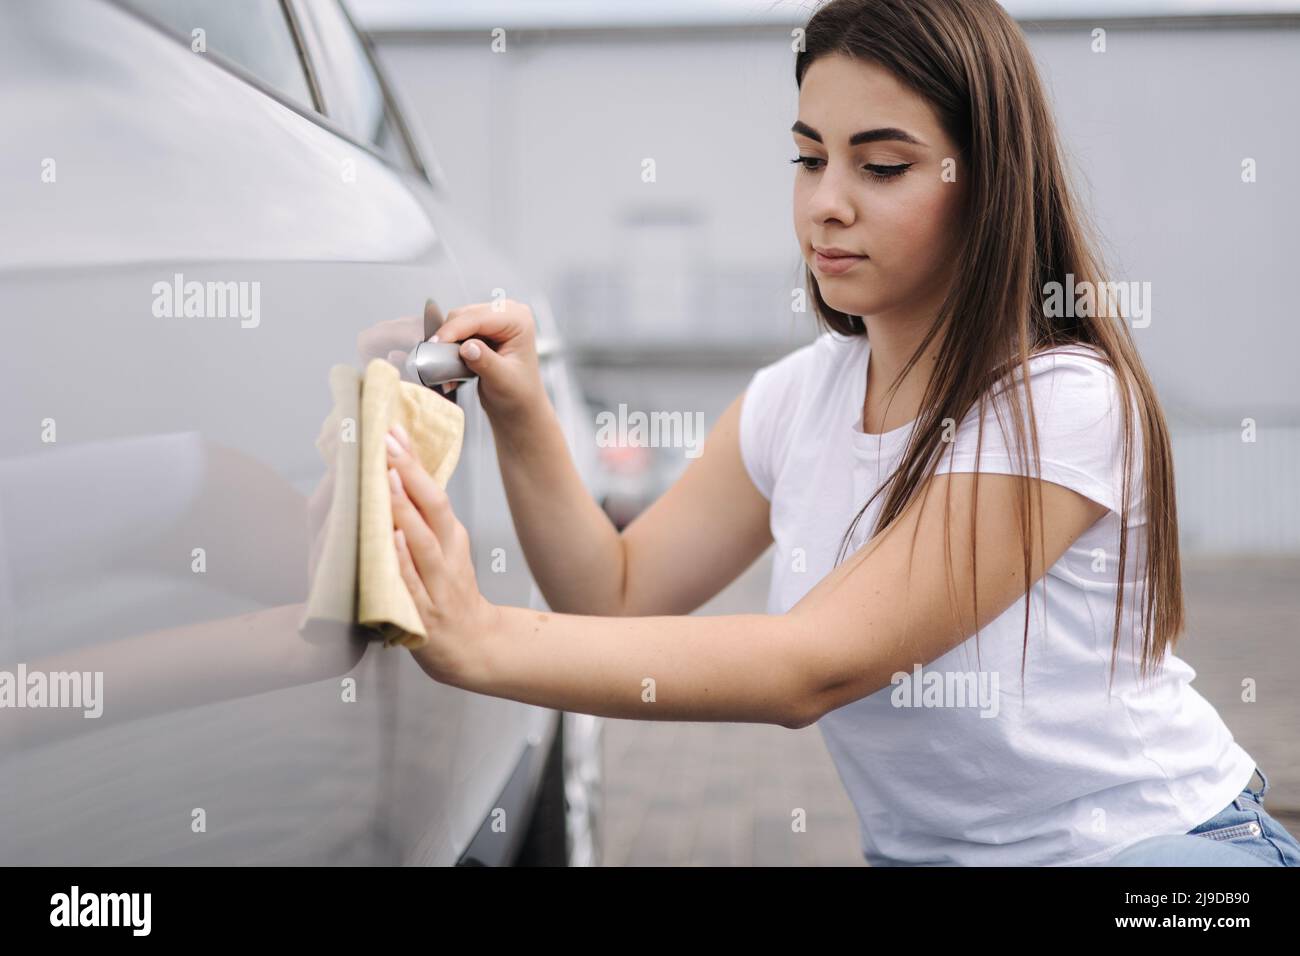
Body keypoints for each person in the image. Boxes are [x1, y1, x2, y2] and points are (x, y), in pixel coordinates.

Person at [378, 0, 1299, 866]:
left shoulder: (1062, 401)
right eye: (809, 158)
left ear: (988, 184)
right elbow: (615, 598)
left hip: (1166, 861)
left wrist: (486, 639)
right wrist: (523, 408)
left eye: (882, 166)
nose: (828, 202)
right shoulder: (795, 399)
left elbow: (810, 668)